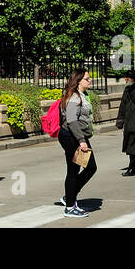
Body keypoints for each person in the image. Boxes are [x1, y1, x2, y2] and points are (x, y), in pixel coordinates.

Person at [56, 69, 98, 217]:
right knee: (73, 171)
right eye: (87, 78)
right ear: (79, 81)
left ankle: (70, 196)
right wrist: (81, 141)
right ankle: (69, 207)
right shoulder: (74, 98)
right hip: (72, 137)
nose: (90, 80)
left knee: (91, 167)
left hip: (78, 136)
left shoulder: (83, 95)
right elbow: (72, 121)